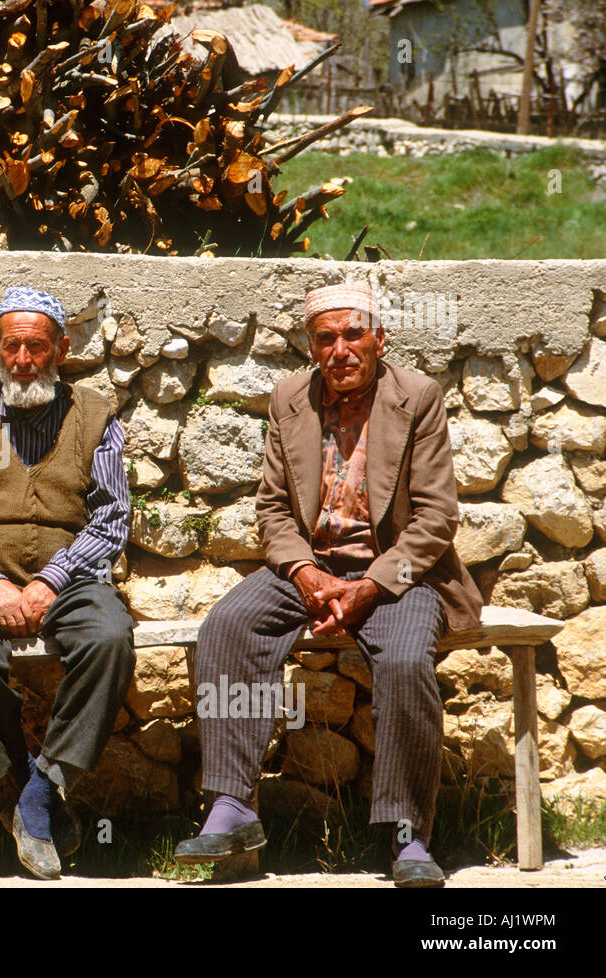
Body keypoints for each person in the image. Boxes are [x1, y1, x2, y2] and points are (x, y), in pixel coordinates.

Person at [173, 283, 482, 888]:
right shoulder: (290, 398)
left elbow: (436, 518)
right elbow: (273, 510)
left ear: (379, 339)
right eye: (326, 339)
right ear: (312, 349)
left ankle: (407, 833)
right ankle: (231, 804)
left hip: (397, 572)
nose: (341, 350)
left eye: (353, 335)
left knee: (402, 660)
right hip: (310, 569)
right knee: (227, 628)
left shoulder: (417, 397)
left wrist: (368, 586)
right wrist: (306, 573)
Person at [0, 286, 135, 880]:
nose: (22, 359)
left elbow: (112, 516)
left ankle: (43, 787)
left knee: (111, 639)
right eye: (10, 346)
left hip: (72, 575)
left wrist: (53, 581)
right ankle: (21, 776)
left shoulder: (94, 416)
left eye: (36, 347)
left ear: (61, 349)